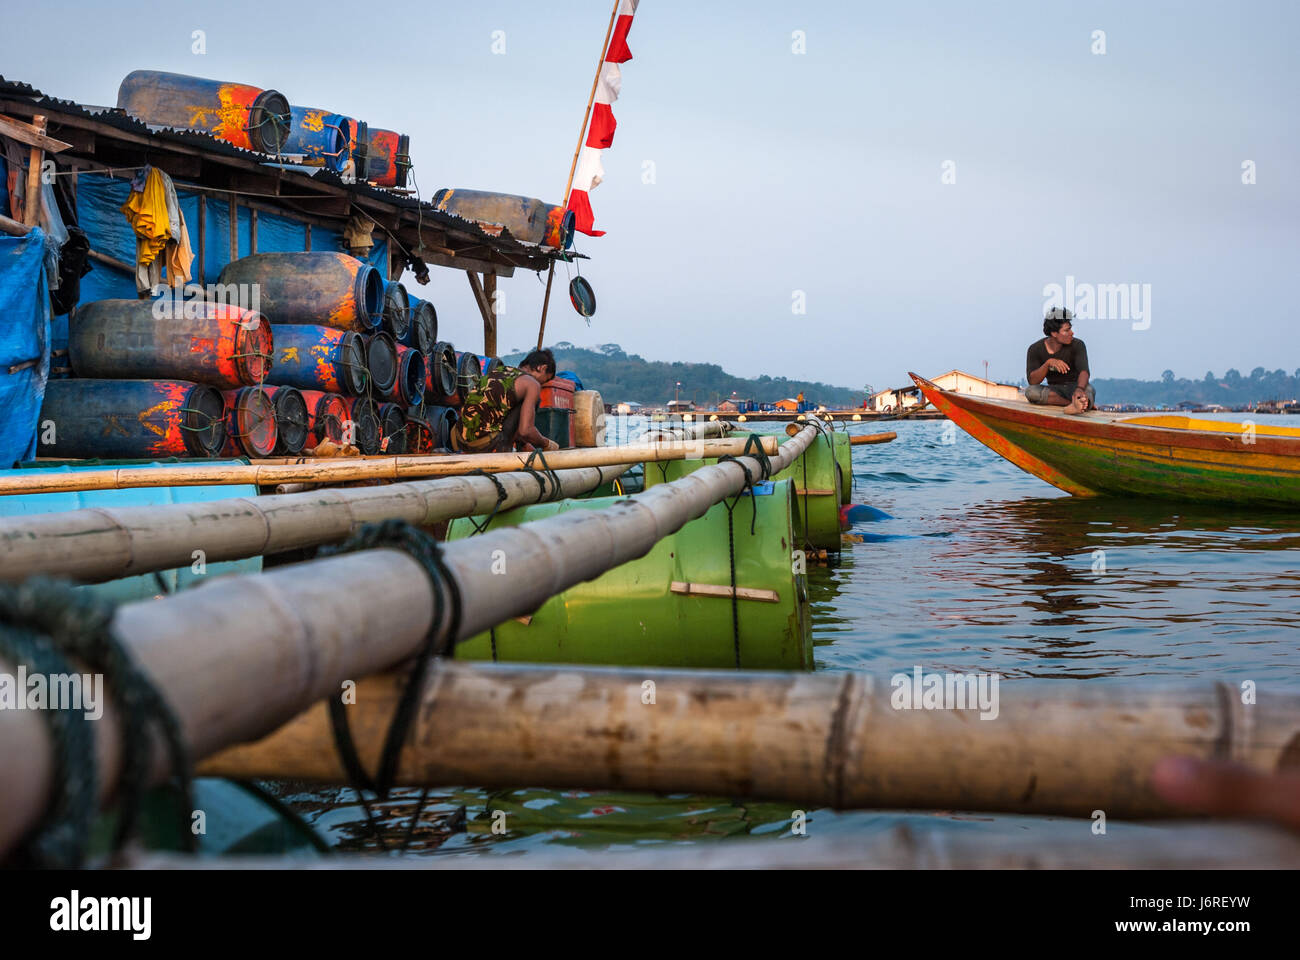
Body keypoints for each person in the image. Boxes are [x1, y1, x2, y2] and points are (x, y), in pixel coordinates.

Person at [450, 349, 561, 453]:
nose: (541, 384)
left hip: (457, 438)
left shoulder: (500, 371)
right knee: (534, 400)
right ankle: (504, 451)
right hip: (480, 444)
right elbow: (525, 431)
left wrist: (525, 445)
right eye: (545, 380)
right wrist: (547, 444)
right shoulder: (532, 384)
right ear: (542, 368)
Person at [1025, 307, 1095, 415]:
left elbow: (1084, 372)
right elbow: (1033, 381)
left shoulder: (1078, 345)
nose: (1072, 333)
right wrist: (1048, 363)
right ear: (1054, 333)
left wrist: (1080, 389)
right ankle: (1076, 404)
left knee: (1089, 390)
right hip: (1055, 390)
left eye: (1070, 329)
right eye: (1067, 330)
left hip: (1075, 386)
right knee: (1031, 392)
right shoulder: (1035, 349)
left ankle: (1080, 402)